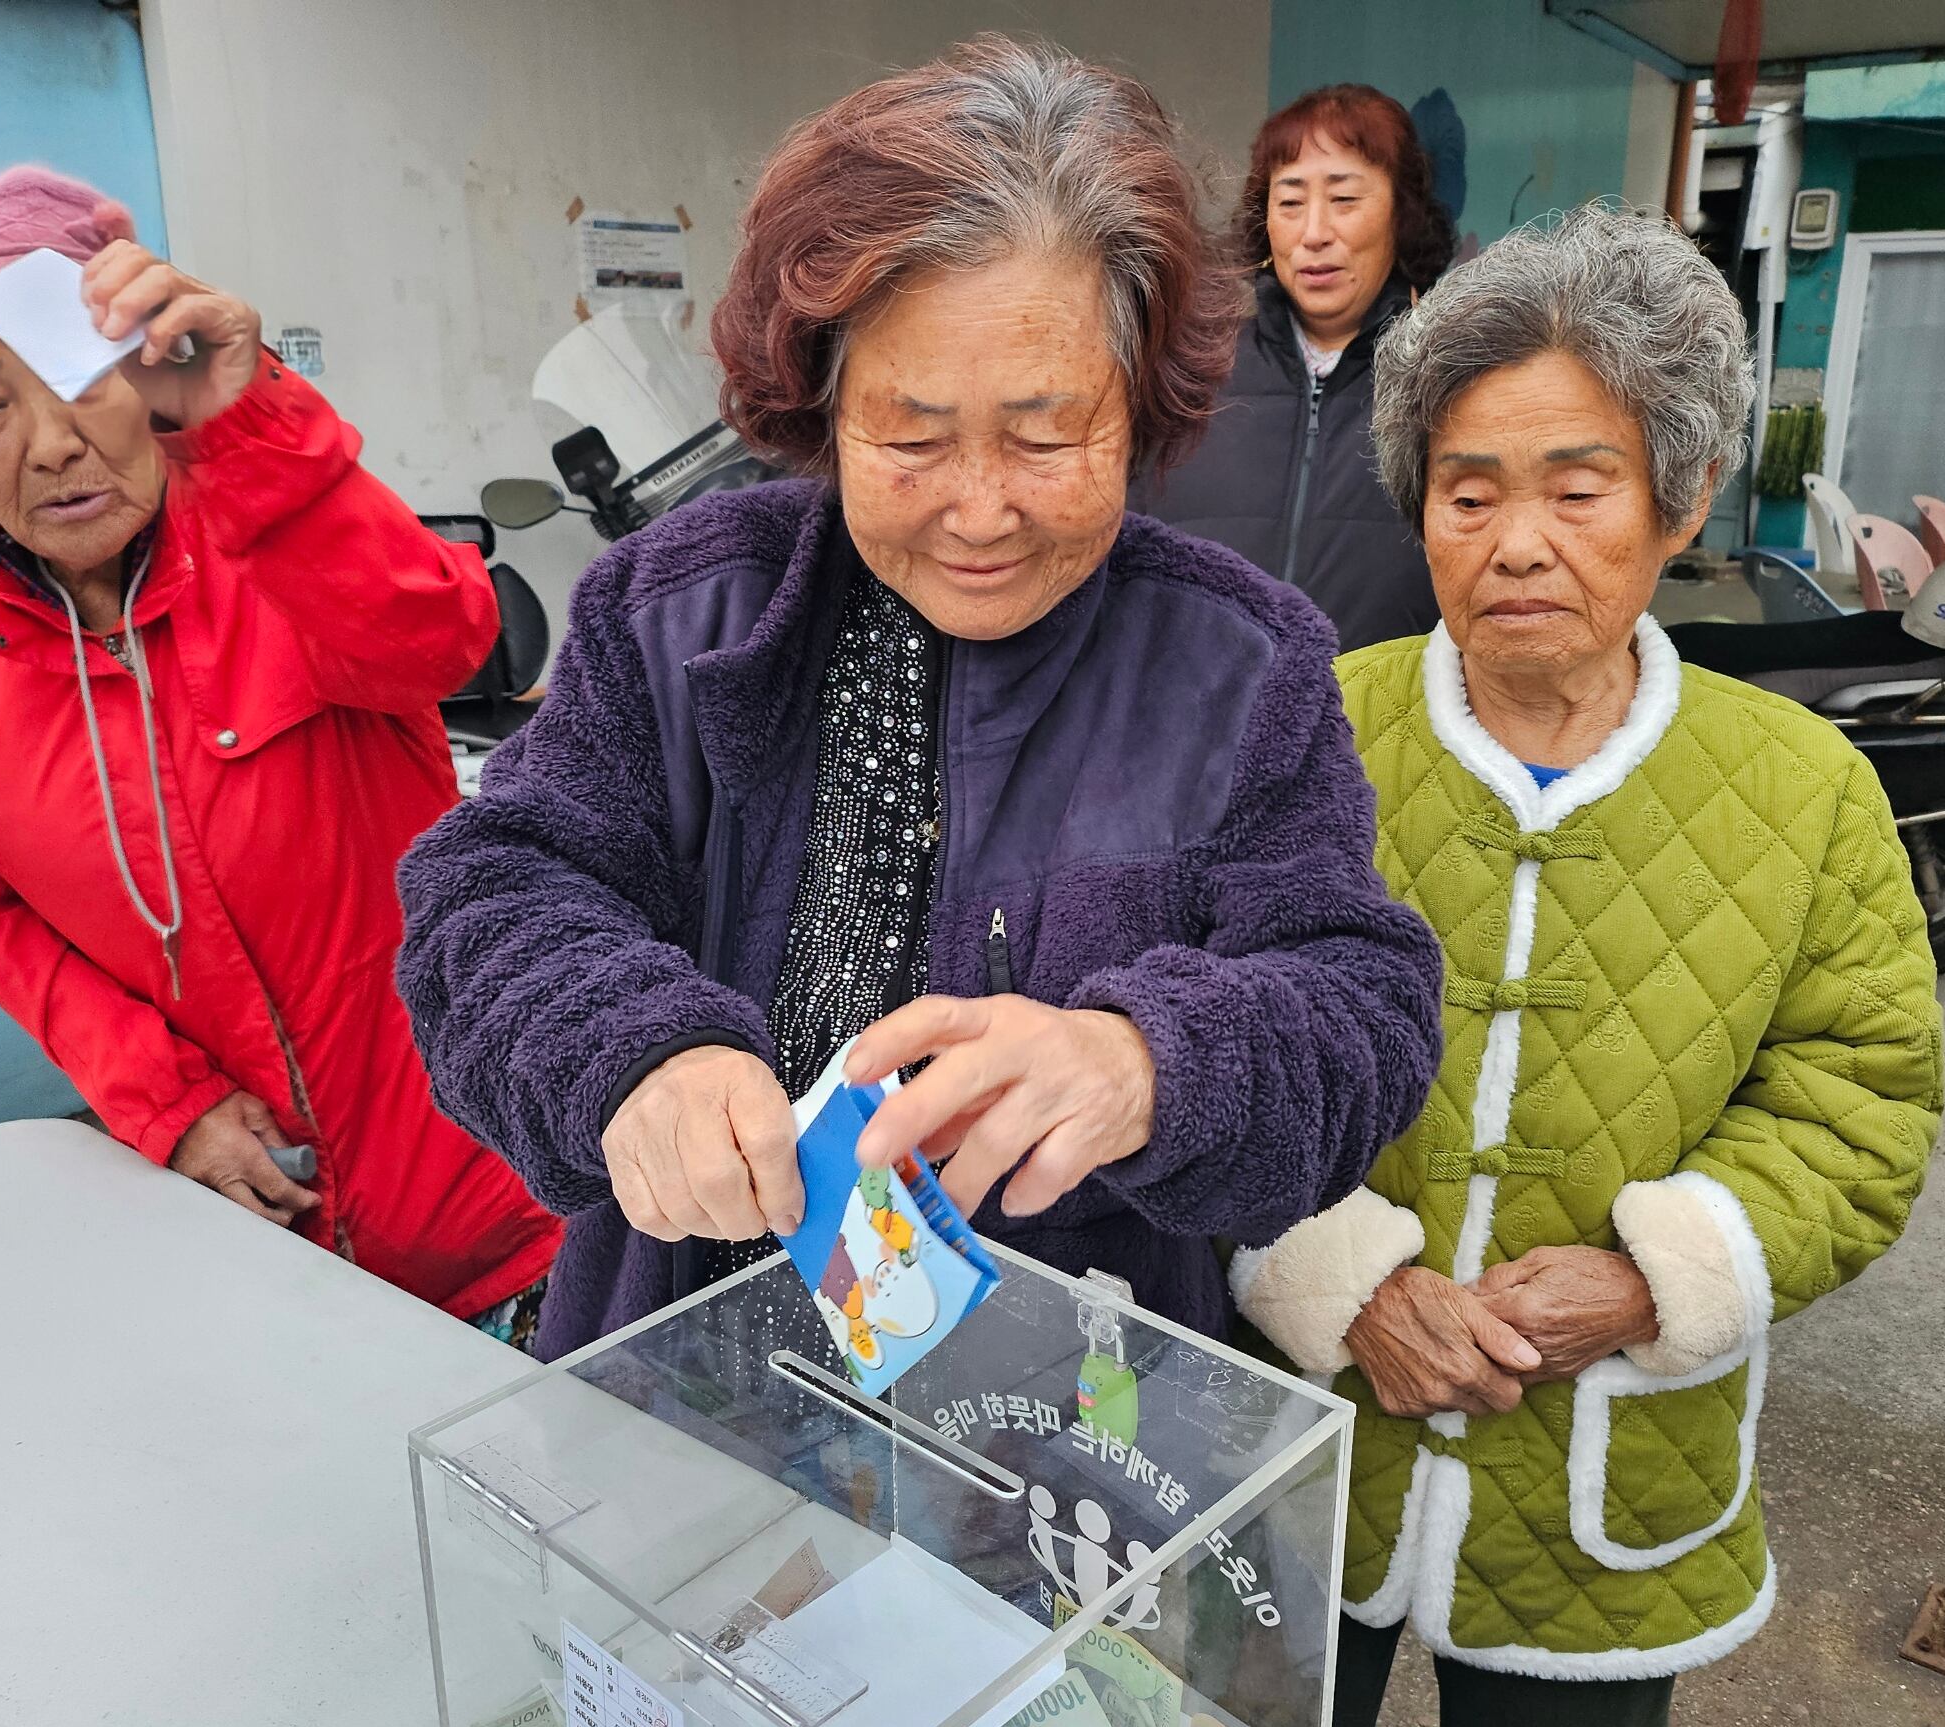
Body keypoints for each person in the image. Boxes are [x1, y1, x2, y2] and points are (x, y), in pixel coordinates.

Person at [395, 38, 1444, 1360]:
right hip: (682, 1375)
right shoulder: (672, 608)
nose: (980, 508)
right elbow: (496, 893)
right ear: (822, 402)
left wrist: (1150, 1062)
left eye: (1049, 433)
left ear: (1144, 406)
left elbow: (1359, 999)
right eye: (912, 436)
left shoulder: (1239, 663)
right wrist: (635, 1053)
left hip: (1060, 1417)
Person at [1227, 203, 1944, 1727]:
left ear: (1681, 502)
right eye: (1469, 490)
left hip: (1617, 1457)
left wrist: (1649, 1279)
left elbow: (1860, 1102)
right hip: (1315, 1425)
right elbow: (1214, 1028)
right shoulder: (1316, 725)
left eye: (1579, 484)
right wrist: (1344, 1281)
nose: (1518, 540)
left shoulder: (1801, 789)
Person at [0, 167, 561, 1341]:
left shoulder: (276, 540)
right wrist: (164, 1101)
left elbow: (445, 640)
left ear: (148, 381)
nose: (51, 445)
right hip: (249, 1240)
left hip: (498, 1213)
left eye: (82, 378)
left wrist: (255, 431)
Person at [1130, 84, 1455, 652]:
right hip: (1202, 722)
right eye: (1290, 202)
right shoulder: (1190, 374)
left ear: (1401, 216)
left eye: (1345, 200)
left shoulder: (1449, 384)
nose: (1314, 233)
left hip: (1380, 724)